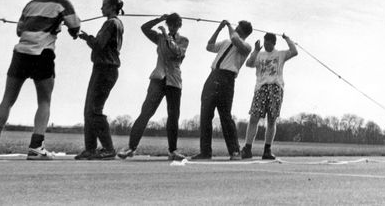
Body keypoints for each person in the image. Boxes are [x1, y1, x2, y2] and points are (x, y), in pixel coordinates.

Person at [0, 0, 80, 160]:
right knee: (44, 101)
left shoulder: (30, 4)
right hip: (43, 54)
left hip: (21, 53)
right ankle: (36, 147)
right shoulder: (64, 2)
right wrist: (64, 27)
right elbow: (75, 27)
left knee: (7, 99)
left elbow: (19, 31)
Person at [118, 13, 189, 161]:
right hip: (158, 79)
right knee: (146, 113)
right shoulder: (159, 38)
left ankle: (172, 151)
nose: (173, 27)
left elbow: (176, 52)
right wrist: (159, 19)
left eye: (175, 24)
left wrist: (166, 34)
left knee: (173, 116)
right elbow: (144, 28)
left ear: (179, 25)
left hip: (174, 81)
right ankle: (131, 147)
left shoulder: (183, 40)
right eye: (170, 24)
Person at [191, 20, 253, 160]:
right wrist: (218, 29)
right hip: (213, 75)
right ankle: (205, 152)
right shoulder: (226, 41)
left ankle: (235, 151)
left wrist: (229, 26)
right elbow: (209, 46)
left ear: (242, 31)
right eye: (236, 27)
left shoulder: (246, 46)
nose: (236, 29)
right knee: (205, 114)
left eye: (238, 28)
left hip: (227, 78)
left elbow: (235, 39)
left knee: (225, 116)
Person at [75, 0, 124, 160]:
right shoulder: (115, 23)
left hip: (106, 69)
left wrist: (86, 37)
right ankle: (90, 149)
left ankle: (108, 149)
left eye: (103, 6)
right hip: (102, 68)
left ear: (111, 7)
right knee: (89, 110)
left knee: (94, 109)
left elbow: (98, 45)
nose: (101, 9)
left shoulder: (111, 23)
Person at [241, 32, 297, 160]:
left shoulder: (280, 54)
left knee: (272, 119)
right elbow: (249, 63)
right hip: (261, 87)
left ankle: (267, 150)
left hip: (275, 87)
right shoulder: (260, 55)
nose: (265, 45)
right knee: (254, 118)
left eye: (268, 43)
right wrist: (255, 51)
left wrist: (287, 38)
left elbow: (294, 51)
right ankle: (247, 148)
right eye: (264, 43)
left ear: (273, 43)